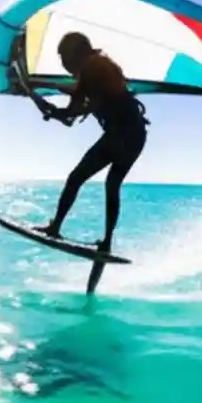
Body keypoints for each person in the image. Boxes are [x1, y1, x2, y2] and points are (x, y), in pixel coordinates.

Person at [22, 31, 149, 255]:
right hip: (135, 136)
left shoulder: (92, 66)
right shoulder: (99, 66)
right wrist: (53, 110)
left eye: (63, 58)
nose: (63, 64)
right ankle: (106, 242)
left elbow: (73, 110)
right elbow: (76, 111)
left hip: (121, 135)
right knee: (112, 186)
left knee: (76, 179)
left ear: (74, 53)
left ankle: (55, 227)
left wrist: (46, 96)